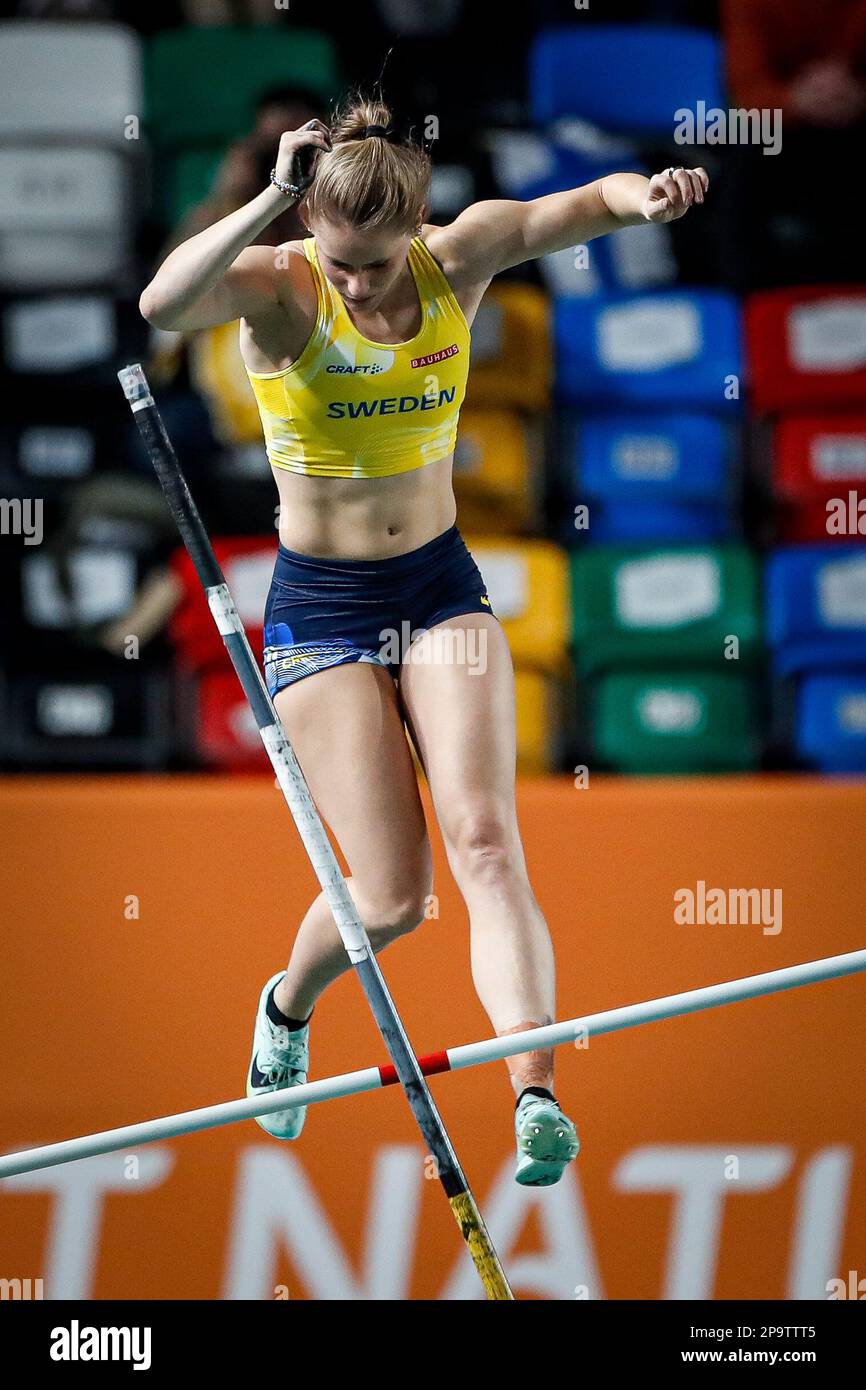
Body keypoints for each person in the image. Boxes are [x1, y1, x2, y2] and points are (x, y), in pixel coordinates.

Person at [139, 91, 707, 1187]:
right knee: (392, 896)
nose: (357, 284)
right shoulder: (281, 286)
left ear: (417, 228)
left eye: (377, 264)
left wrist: (647, 198)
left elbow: (583, 203)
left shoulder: (461, 256)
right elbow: (165, 305)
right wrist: (272, 193)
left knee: (487, 841)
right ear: (314, 234)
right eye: (340, 262)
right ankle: (284, 1006)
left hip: (439, 584)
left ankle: (533, 1091)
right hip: (324, 608)